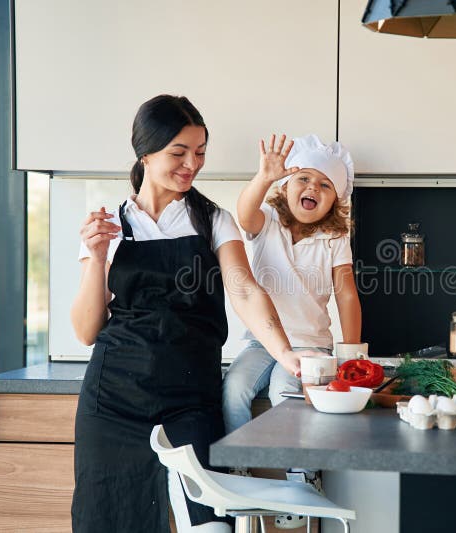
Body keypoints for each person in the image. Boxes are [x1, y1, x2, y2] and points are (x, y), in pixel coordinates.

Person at [70, 95, 320, 533]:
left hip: (189, 395)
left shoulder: (213, 220)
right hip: (114, 398)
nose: (192, 164)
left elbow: (244, 288)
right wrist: (94, 257)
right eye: (179, 153)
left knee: (209, 524)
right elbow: (87, 330)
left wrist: (285, 353)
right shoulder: (109, 223)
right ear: (145, 153)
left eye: (200, 152)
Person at [222, 133, 362, 431]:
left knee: (283, 395)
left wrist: (351, 356)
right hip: (262, 341)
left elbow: (346, 295)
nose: (313, 186)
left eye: (325, 185)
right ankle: (238, 464)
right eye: (304, 178)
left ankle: (302, 475)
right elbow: (244, 215)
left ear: (334, 202)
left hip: (311, 345)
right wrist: (263, 178)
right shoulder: (267, 220)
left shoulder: (335, 238)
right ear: (284, 186)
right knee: (233, 390)